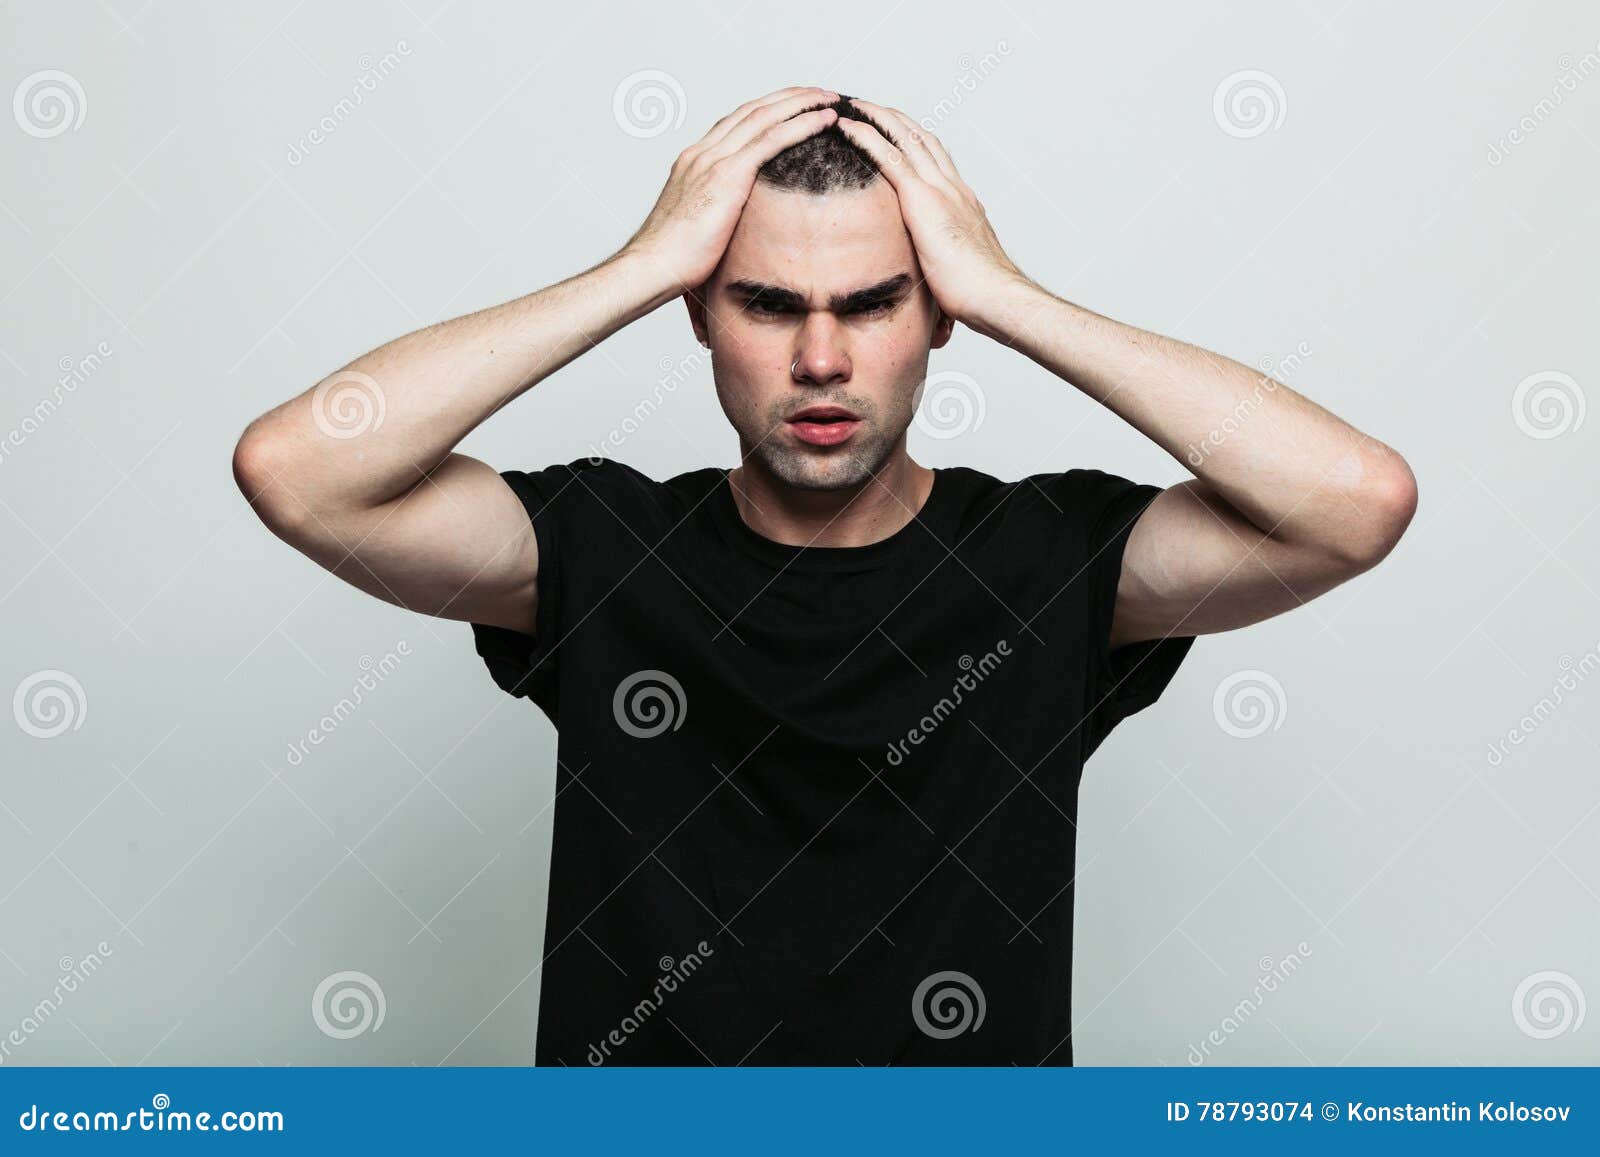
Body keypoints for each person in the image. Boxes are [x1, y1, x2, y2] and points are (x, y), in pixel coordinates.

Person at [232, 86, 1417, 1065]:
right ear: (700, 311)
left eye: (871, 302)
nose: (818, 357)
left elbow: (1353, 504)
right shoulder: (602, 547)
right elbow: (299, 473)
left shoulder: (1047, 558)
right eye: (764, 303)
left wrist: (1006, 293)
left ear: (933, 312)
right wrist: (638, 266)